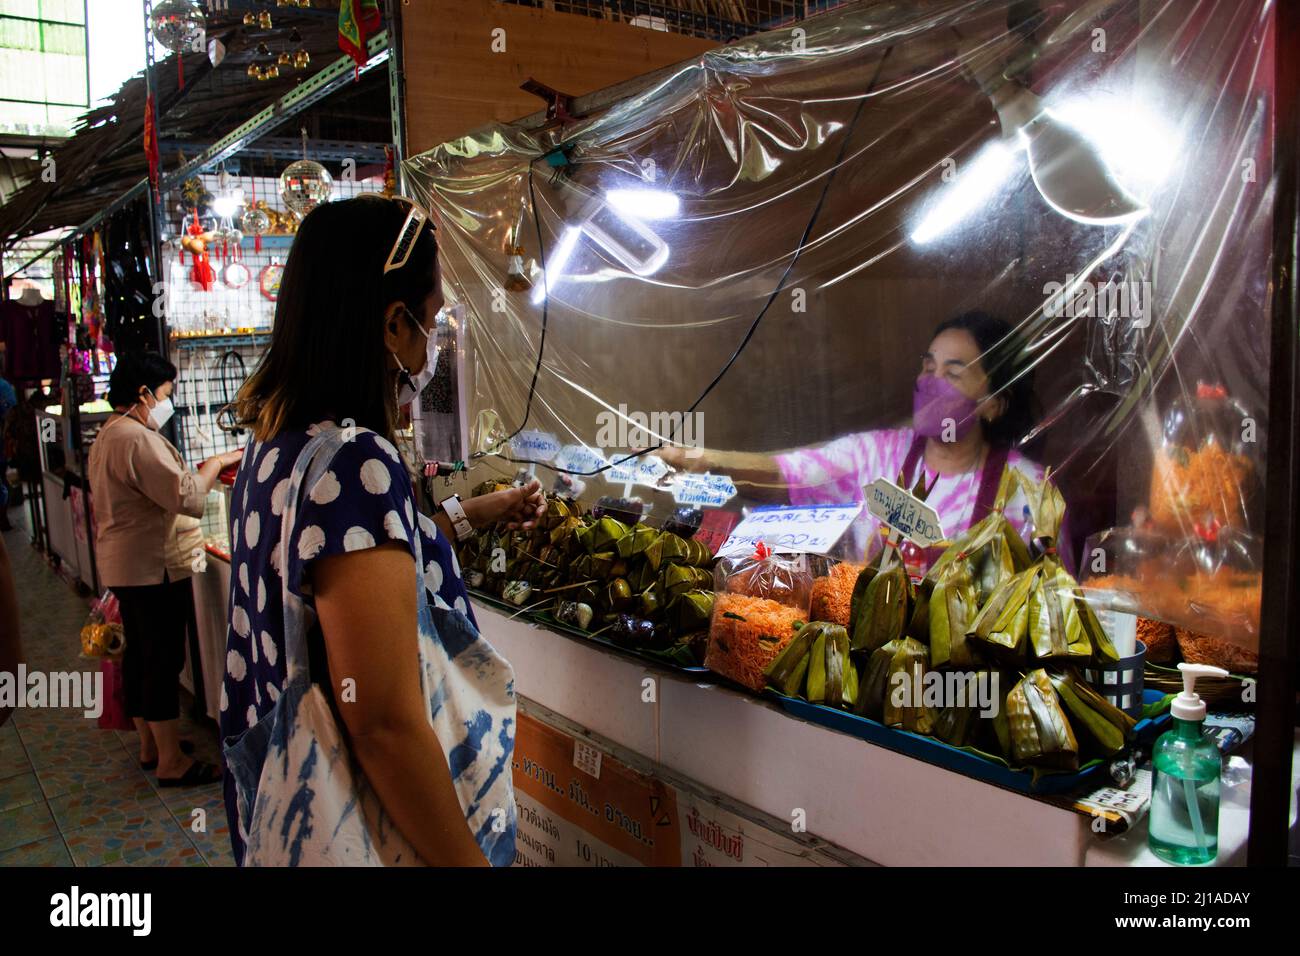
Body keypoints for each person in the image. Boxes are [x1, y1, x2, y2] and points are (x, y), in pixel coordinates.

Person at [222, 193, 544, 866]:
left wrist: (470, 515)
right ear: (394, 326)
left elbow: (358, 564)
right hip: (366, 824)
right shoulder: (353, 457)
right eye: (431, 322)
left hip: (286, 809)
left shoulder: (275, 447)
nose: (434, 344)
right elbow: (383, 723)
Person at [661, 311, 1056, 571]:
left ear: (993, 404)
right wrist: (705, 460)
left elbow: (1052, 600)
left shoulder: (1028, 488)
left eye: (952, 374)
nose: (928, 381)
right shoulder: (880, 453)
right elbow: (791, 474)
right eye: (927, 366)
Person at [87, 351, 242, 785]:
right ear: (143, 393)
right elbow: (186, 497)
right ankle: (172, 762)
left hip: (128, 565)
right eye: (165, 394)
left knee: (138, 657)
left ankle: (152, 745)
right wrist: (216, 463)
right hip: (151, 567)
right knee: (160, 660)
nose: (166, 402)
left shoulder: (111, 434)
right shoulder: (136, 439)